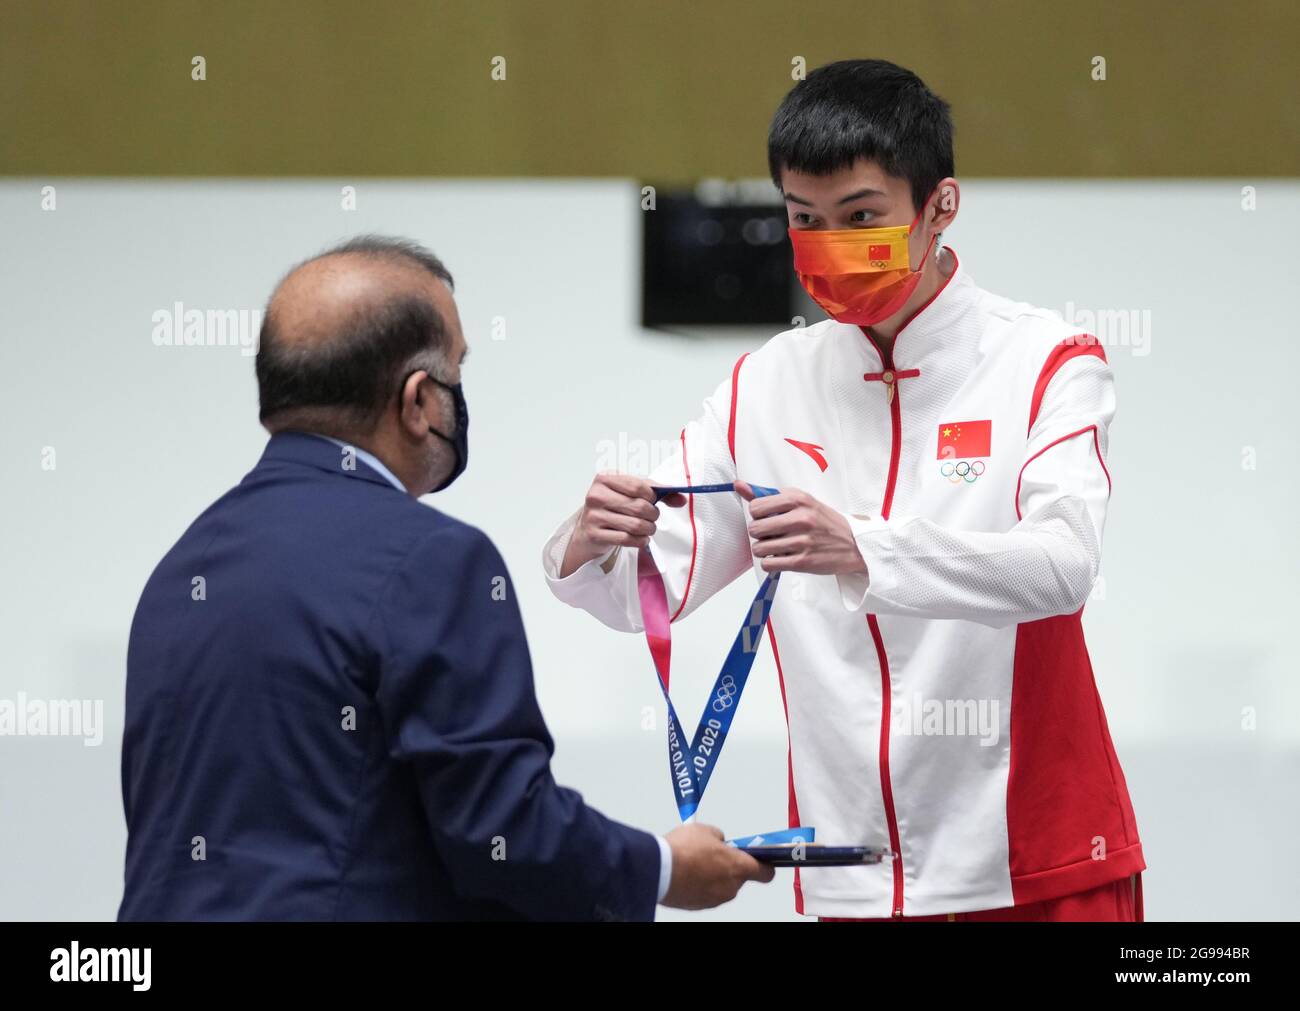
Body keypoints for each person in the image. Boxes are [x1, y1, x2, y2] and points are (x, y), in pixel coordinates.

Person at [542, 60, 1145, 921]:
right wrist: (592, 536)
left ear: (940, 205)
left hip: (1040, 863)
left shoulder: (1046, 360)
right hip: (849, 870)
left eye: (861, 217)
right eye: (804, 219)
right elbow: (646, 591)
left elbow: (1063, 567)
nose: (829, 244)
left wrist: (862, 545)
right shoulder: (764, 385)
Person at [118, 235, 772, 921]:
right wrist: (662, 867)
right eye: (457, 370)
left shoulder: (182, 569)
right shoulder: (433, 559)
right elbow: (501, 833)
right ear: (418, 401)